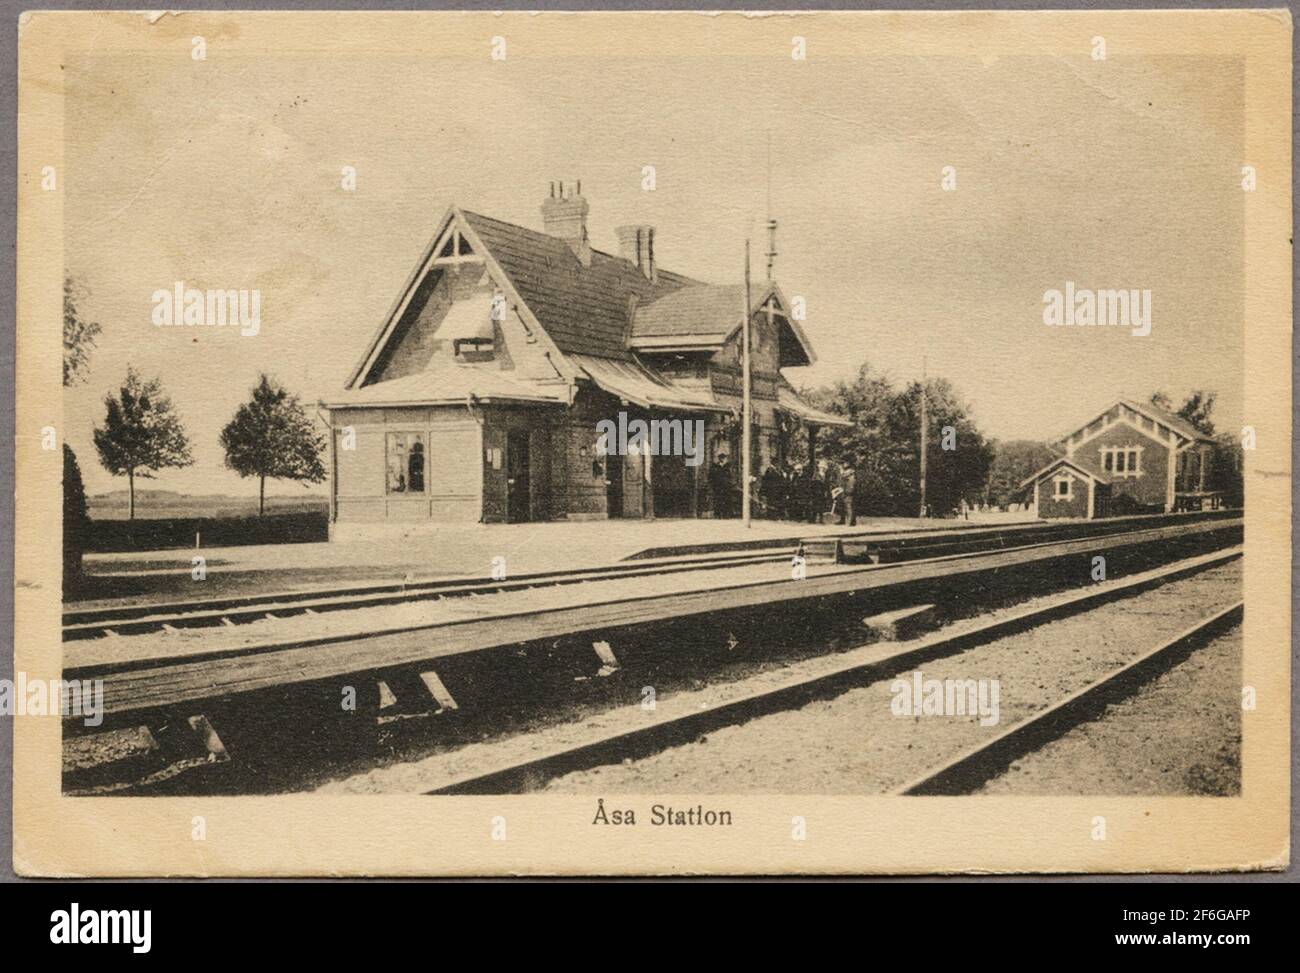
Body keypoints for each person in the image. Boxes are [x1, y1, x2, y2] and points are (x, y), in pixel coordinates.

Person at [709, 452, 732, 519]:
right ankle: (717, 514)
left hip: (726, 487)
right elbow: (711, 477)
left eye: (724, 458)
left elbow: (730, 477)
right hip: (717, 487)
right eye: (722, 458)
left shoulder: (727, 467)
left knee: (726, 501)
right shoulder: (715, 467)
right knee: (717, 501)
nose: (723, 459)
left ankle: (725, 514)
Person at [839, 454, 858, 526]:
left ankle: (850, 522)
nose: (843, 465)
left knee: (848, 506)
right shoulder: (848, 472)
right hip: (845, 491)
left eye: (844, 463)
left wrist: (848, 491)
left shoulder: (850, 473)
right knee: (846, 506)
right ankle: (851, 521)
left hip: (848, 492)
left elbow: (851, 483)